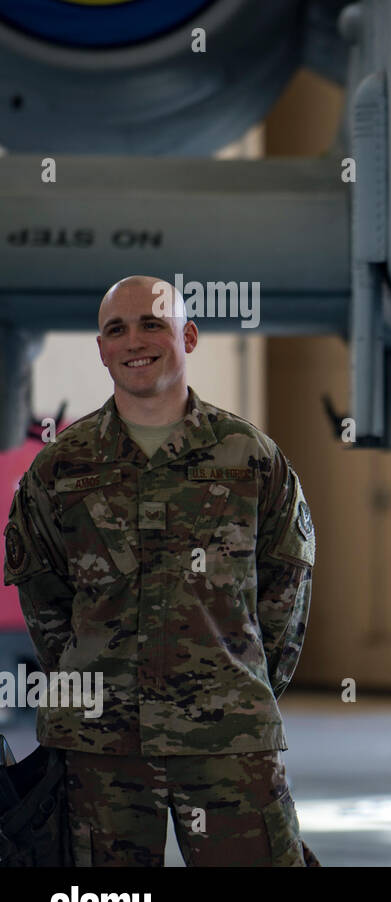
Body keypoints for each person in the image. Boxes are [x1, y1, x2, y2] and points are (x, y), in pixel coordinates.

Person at [2, 275, 315, 866]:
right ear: (101, 349)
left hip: (226, 737)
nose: (134, 340)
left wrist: (233, 682)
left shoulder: (250, 458)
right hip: (100, 744)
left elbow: (285, 593)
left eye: (152, 324)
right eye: (116, 329)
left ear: (188, 336)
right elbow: (44, 604)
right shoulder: (60, 468)